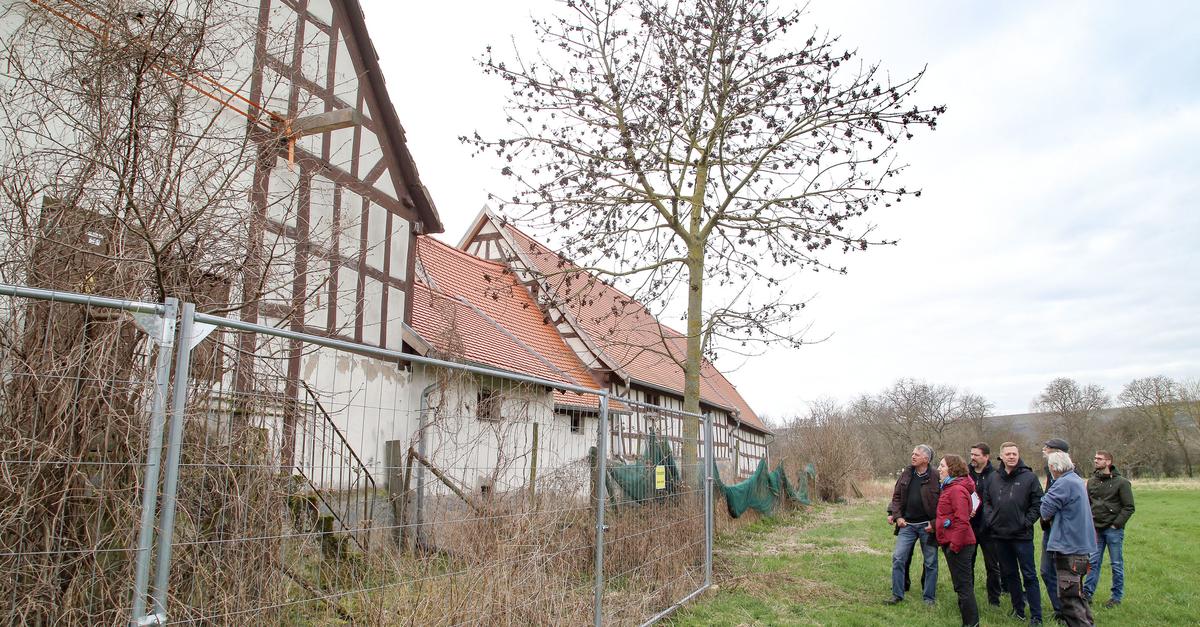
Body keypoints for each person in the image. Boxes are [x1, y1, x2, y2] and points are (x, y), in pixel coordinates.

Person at [981, 442, 1044, 626]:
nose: (1011, 456)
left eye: (1014, 453)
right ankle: (1018, 610)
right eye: (1008, 454)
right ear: (1001, 456)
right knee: (1010, 575)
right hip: (1000, 536)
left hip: (1022, 536)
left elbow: (1038, 503)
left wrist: (1025, 522)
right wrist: (991, 519)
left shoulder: (1029, 477)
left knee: (1029, 576)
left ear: (1018, 455)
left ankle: (1036, 616)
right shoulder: (993, 478)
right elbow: (987, 501)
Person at [1040, 451, 1097, 627]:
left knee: (1069, 598)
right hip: (1080, 546)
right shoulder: (1076, 480)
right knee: (1077, 595)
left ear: (1052, 467)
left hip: (1068, 547)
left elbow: (1045, 510)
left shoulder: (1062, 484)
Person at [885, 444, 940, 606]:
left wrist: (935, 523)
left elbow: (943, 503)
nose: (913, 456)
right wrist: (897, 516)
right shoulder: (906, 474)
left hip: (927, 526)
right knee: (898, 558)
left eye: (916, 454)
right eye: (912, 454)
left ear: (926, 459)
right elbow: (896, 497)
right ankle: (897, 595)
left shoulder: (936, 476)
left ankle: (929, 598)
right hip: (907, 525)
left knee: (930, 562)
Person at [1085, 449, 1134, 608]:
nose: (1096, 461)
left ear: (1108, 462)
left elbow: (1129, 507)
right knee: (1092, 562)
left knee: (1116, 564)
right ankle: (1087, 594)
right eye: (1095, 458)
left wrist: (1116, 524)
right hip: (1096, 529)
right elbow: (1087, 504)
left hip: (1113, 529)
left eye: (1099, 458)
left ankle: (1116, 597)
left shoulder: (1122, 482)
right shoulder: (1091, 482)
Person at [937, 454, 979, 627]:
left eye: (942, 466)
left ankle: (971, 623)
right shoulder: (949, 487)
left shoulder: (956, 490)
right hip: (952, 542)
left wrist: (954, 545)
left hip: (960, 544)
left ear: (952, 469)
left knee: (964, 588)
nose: (938, 469)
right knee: (960, 586)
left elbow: (962, 520)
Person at [1040, 438, 1071, 622]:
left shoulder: (1069, 476)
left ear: (1058, 452)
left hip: (1063, 532)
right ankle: (1059, 609)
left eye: (1048, 448)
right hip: (1049, 529)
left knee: (1065, 574)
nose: (1044, 450)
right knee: (1046, 571)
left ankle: (1069, 610)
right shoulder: (1050, 473)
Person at [969, 442, 1004, 606]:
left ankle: (994, 599)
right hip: (969, 526)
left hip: (989, 528)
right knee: (968, 563)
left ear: (986, 457)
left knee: (992, 565)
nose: (972, 457)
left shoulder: (996, 475)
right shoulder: (965, 473)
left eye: (976, 455)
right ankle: (968, 597)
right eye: (971, 454)